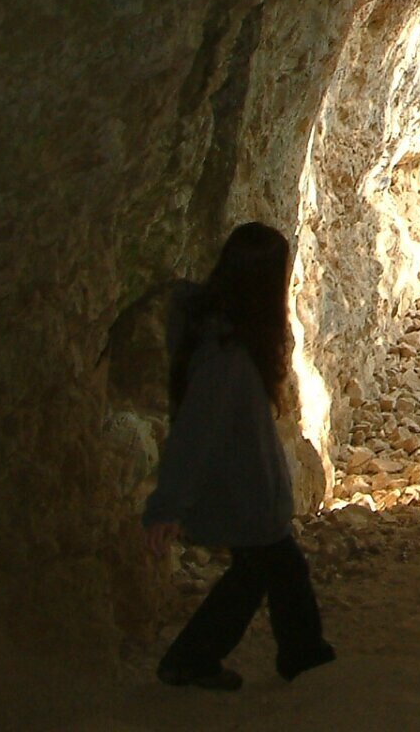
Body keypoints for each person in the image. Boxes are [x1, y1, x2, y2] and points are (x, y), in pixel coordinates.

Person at [143, 221, 335, 690]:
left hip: (240, 486)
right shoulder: (225, 353)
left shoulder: (215, 329)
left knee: (255, 574)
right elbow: (196, 431)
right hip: (240, 490)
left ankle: (194, 659)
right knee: (280, 568)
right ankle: (303, 659)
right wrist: (167, 506)